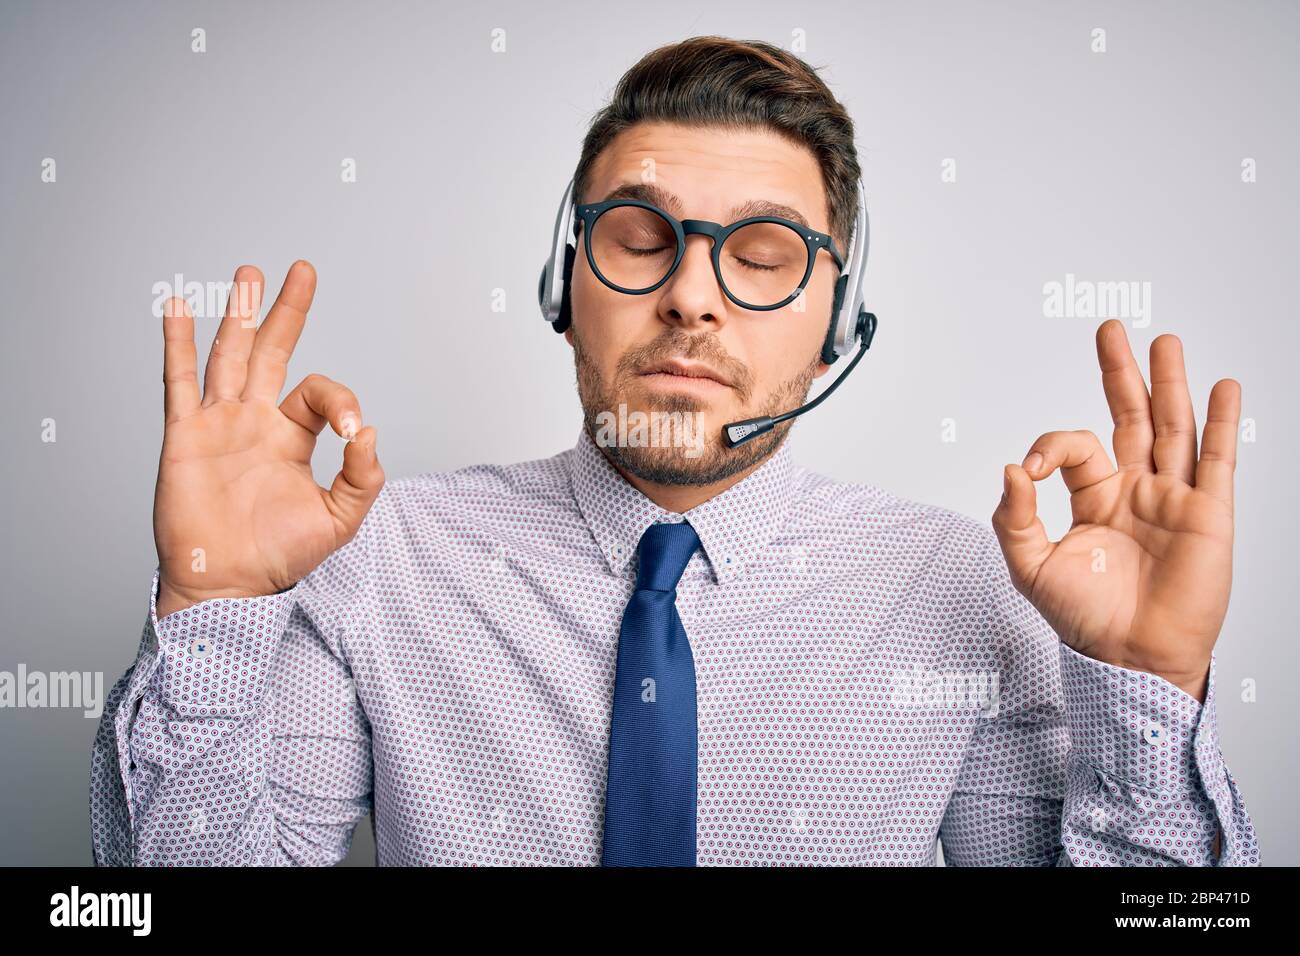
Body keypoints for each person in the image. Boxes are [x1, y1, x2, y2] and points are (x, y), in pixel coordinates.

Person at [90, 36, 1258, 866]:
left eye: (760, 255)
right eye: (640, 238)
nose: (692, 296)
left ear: (837, 320)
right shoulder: (371, 560)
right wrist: (215, 602)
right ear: (567, 285)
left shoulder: (971, 593)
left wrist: (1144, 699)